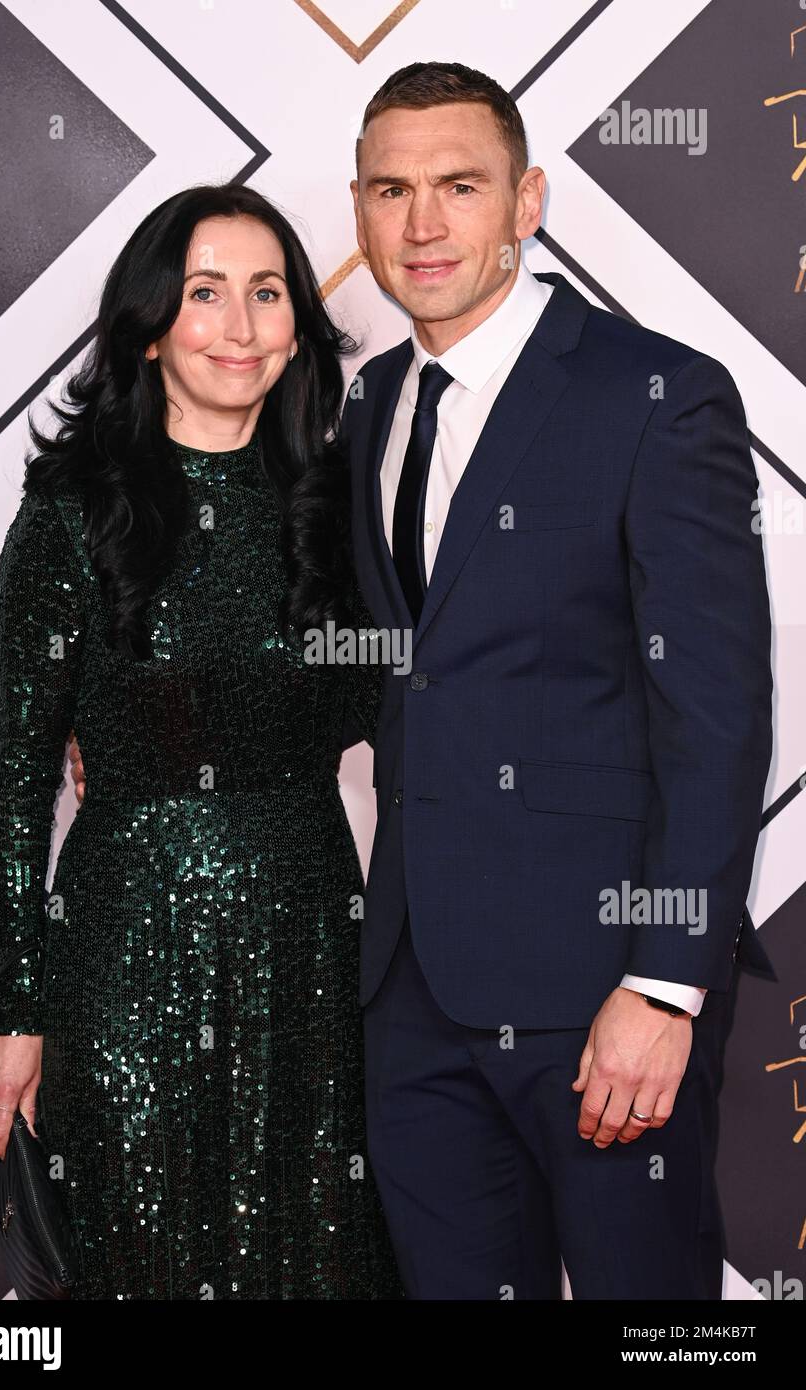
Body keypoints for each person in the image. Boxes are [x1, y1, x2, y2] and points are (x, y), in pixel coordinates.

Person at [342, 62, 775, 1299]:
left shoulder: (655, 394)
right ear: (360, 208)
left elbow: (717, 711)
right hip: (413, 991)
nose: (422, 225)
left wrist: (662, 979)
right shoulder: (371, 404)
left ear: (525, 201)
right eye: (392, 189)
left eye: (459, 186)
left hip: (602, 993)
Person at [0, 183, 402, 1300]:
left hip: (312, 937)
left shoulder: (337, 504)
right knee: (140, 1250)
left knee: (314, 1253)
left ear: (298, 321)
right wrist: (15, 1008)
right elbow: (19, 776)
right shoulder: (72, 512)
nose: (242, 327)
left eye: (267, 294)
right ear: (152, 322)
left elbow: (394, 706)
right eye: (206, 293)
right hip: (125, 944)